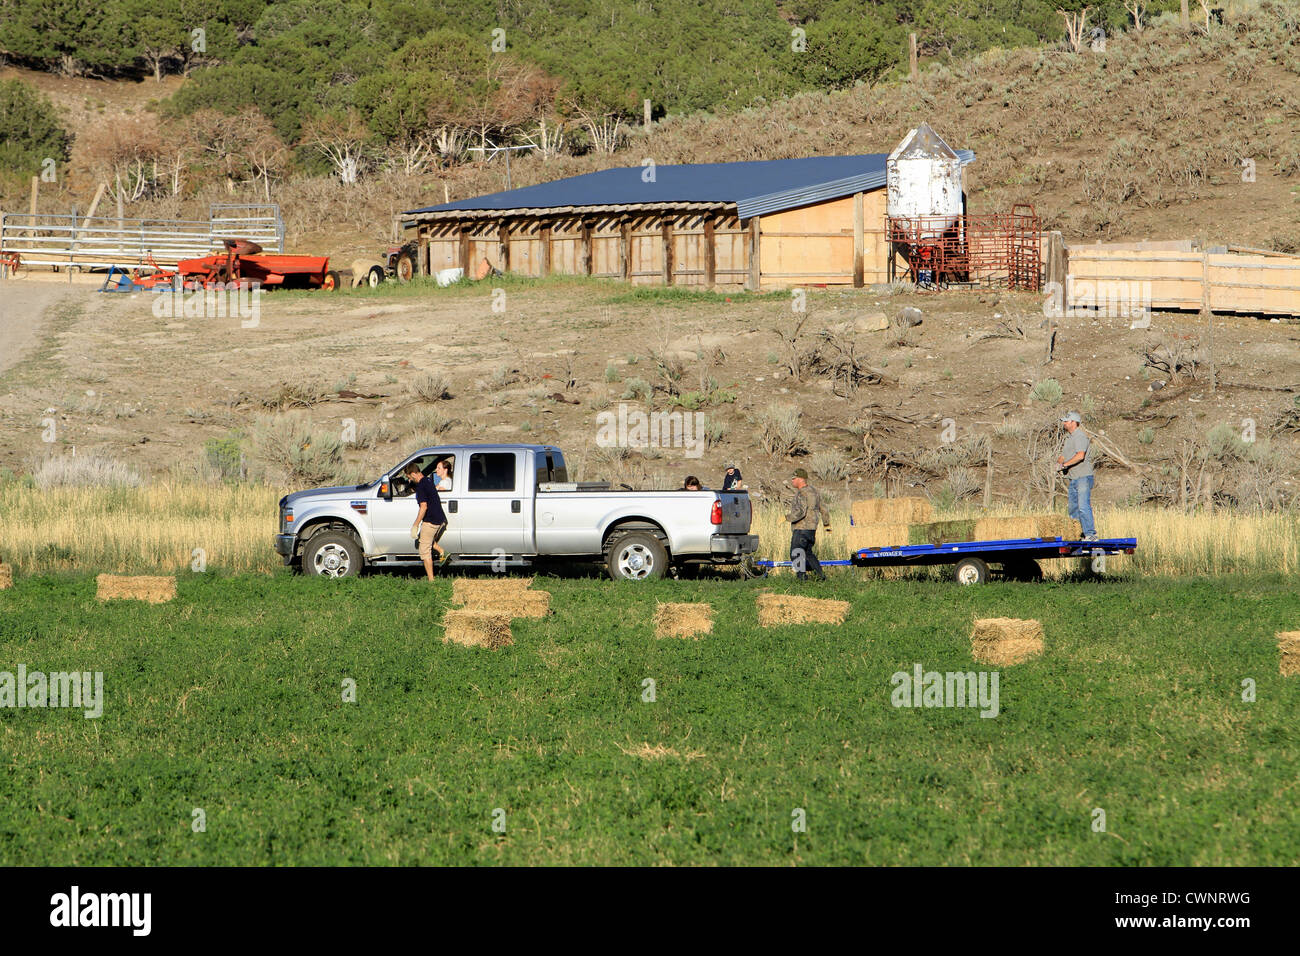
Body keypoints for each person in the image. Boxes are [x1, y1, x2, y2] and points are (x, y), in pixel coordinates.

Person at [1056, 411, 1098, 541]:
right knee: (1073, 508)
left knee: (1083, 506)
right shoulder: (1069, 438)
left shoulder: (1080, 436)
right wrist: (1059, 464)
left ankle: (1090, 534)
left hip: (1083, 477)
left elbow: (1080, 455)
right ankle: (1077, 535)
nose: (1064, 423)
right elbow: (1063, 456)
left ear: (1073, 422)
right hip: (1073, 478)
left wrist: (1065, 465)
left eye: (1066, 421)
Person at [786, 467, 830, 581]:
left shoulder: (802, 493)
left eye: (794, 479)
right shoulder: (814, 491)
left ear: (801, 479)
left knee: (795, 553)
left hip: (801, 528)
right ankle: (821, 577)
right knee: (808, 553)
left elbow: (801, 511)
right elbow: (824, 509)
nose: (792, 481)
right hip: (812, 529)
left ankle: (802, 578)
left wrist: (787, 518)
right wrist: (826, 525)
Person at [405, 461, 447, 579]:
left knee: (424, 551)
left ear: (413, 474)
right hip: (439, 518)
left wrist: (416, 524)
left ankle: (431, 580)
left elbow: (424, 507)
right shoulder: (428, 480)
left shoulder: (421, 486)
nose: (409, 480)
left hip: (431, 520)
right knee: (424, 539)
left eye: (409, 477)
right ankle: (442, 551)